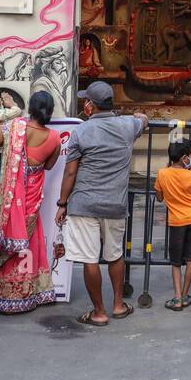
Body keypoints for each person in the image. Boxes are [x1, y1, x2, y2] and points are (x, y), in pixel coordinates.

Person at [56, 80, 148, 326]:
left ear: (90, 106)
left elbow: (70, 173)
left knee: (89, 258)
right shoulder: (127, 126)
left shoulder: (81, 131)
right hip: (115, 203)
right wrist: (135, 115)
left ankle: (99, 311)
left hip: (84, 203)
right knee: (115, 254)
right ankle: (118, 305)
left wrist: (62, 203)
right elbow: (143, 119)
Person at [0, 91, 61, 312]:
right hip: (31, 197)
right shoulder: (54, 138)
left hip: (7, 195)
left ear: (31, 109)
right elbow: (50, 166)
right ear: (50, 112)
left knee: (2, 236)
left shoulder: (13, 128)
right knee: (28, 240)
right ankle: (26, 294)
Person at [154, 139, 191, 312]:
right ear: (184, 158)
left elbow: (160, 197)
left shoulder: (162, 173)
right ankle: (185, 294)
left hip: (176, 222)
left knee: (176, 262)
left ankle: (176, 298)